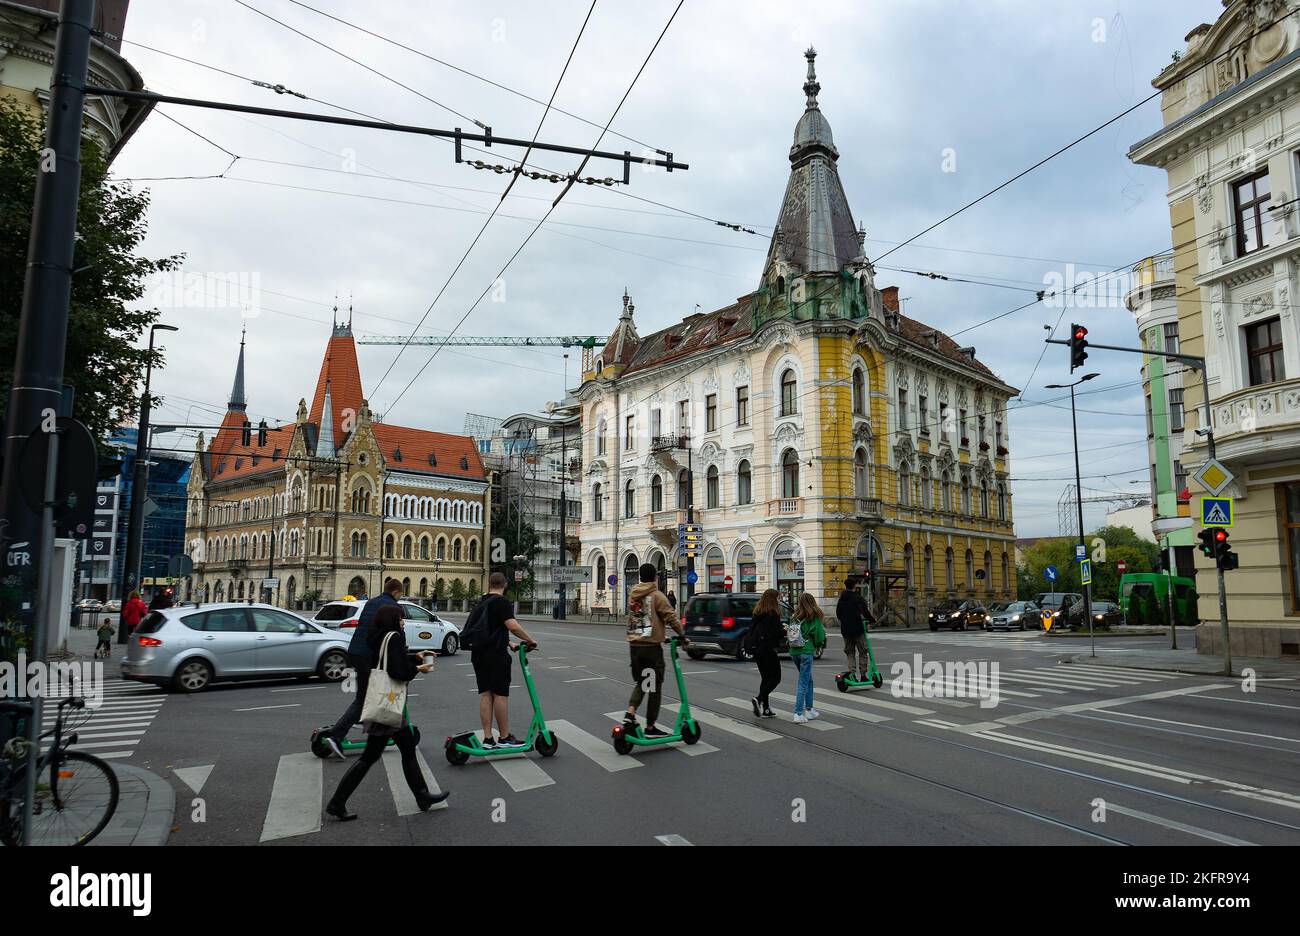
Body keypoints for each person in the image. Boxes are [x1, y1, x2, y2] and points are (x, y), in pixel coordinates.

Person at [326, 604, 448, 820]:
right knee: (371, 757)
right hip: (387, 706)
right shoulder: (394, 637)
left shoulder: (379, 637)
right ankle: (337, 802)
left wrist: (417, 657)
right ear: (393, 619)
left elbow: (390, 663)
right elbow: (398, 671)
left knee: (405, 749)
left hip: (385, 705)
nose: (403, 622)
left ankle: (422, 795)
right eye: (401, 618)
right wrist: (420, 668)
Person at [323, 578, 403, 759]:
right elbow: (395, 636)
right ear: (397, 592)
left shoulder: (371, 602)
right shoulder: (393, 608)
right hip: (369, 656)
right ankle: (336, 736)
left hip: (356, 652)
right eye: (401, 594)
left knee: (367, 695)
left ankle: (364, 720)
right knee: (364, 699)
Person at [467, 573, 537, 747]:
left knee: (485, 693)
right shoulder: (502, 602)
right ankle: (505, 737)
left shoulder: (481, 602)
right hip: (496, 655)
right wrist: (530, 640)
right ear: (504, 584)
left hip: (478, 654)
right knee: (500, 694)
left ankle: (488, 738)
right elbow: (512, 625)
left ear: (489, 584)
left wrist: (509, 643)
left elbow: (487, 629)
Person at [624, 563, 687, 737]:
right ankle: (650, 727)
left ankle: (630, 714)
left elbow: (642, 619)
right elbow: (671, 617)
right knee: (654, 686)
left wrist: (662, 636)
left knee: (643, 682)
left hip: (635, 646)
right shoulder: (657, 595)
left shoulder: (634, 595)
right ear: (655, 577)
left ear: (640, 577)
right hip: (650, 649)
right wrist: (682, 635)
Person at [789, 593, 826, 723]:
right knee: (803, 682)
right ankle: (798, 713)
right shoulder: (813, 616)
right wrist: (817, 645)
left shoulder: (794, 616)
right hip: (806, 651)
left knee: (808, 680)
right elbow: (820, 636)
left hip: (794, 652)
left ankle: (810, 710)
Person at [748, 589, 784, 718]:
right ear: (773, 599)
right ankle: (759, 699)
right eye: (778, 598)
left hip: (757, 649)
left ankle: (766, 709)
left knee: (766, 678)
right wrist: (784, 630)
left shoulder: (757, 612)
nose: (779, 600)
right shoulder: (772, 613)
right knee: (776, 678)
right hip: (768, 649)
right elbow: (775, 633)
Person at [836, 576, 873, 681]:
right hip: (858, 629)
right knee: (863, 652)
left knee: (850, 652)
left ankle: (852, 674)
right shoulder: (858, 598)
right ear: (854, 586)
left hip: (846, 631)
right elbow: (865, 612)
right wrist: (872, 620)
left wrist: (845, 621)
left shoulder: (841, 599)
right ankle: (863, 675)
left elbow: (838, 614)